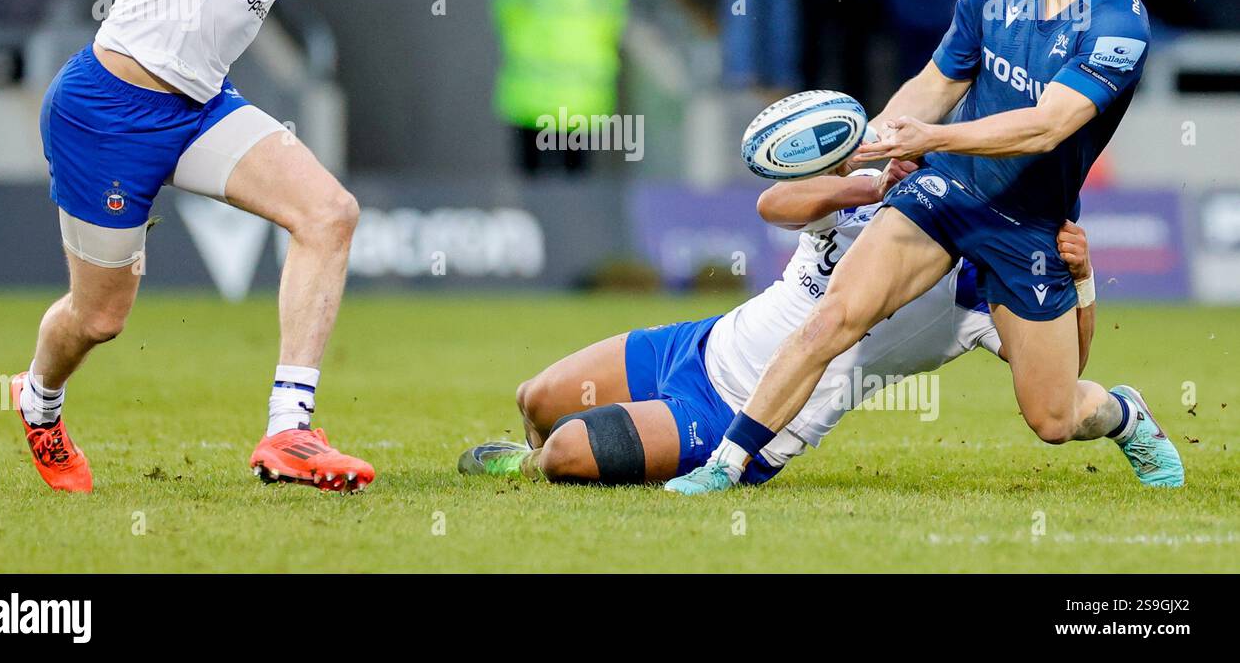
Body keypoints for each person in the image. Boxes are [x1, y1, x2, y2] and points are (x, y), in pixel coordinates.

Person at [12, 0, 635, 494]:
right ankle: (39, 397)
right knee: (98, 318)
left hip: (198, 105)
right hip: (107, 112)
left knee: (328, 213)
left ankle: (288, 432)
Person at [667, 0, 1185, 495]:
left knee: (1053, 416)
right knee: (833, 318)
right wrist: (875, 139)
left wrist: (934, 134)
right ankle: (726, 466)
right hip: (945, 189)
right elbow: (934, 83)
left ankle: (1124, 415)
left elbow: (1047, 124)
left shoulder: (1120, 28)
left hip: (1027, 225)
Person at [457, 161, 1097, 485]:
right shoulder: (895, 202)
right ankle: (536, 452)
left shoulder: (984, 286)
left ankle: (537, 466)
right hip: (705, 342)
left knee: (568, 452)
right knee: (536, 399)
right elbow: (774, 201)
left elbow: (1065, 374)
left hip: (736, 416)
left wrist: (1083, 284)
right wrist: (869, 185)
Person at [491, 0, 630, 175]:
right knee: (530, 182)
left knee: (575, 183)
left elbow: (614, 21)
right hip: (530, 97)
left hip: (583, 98)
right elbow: (505, 14)